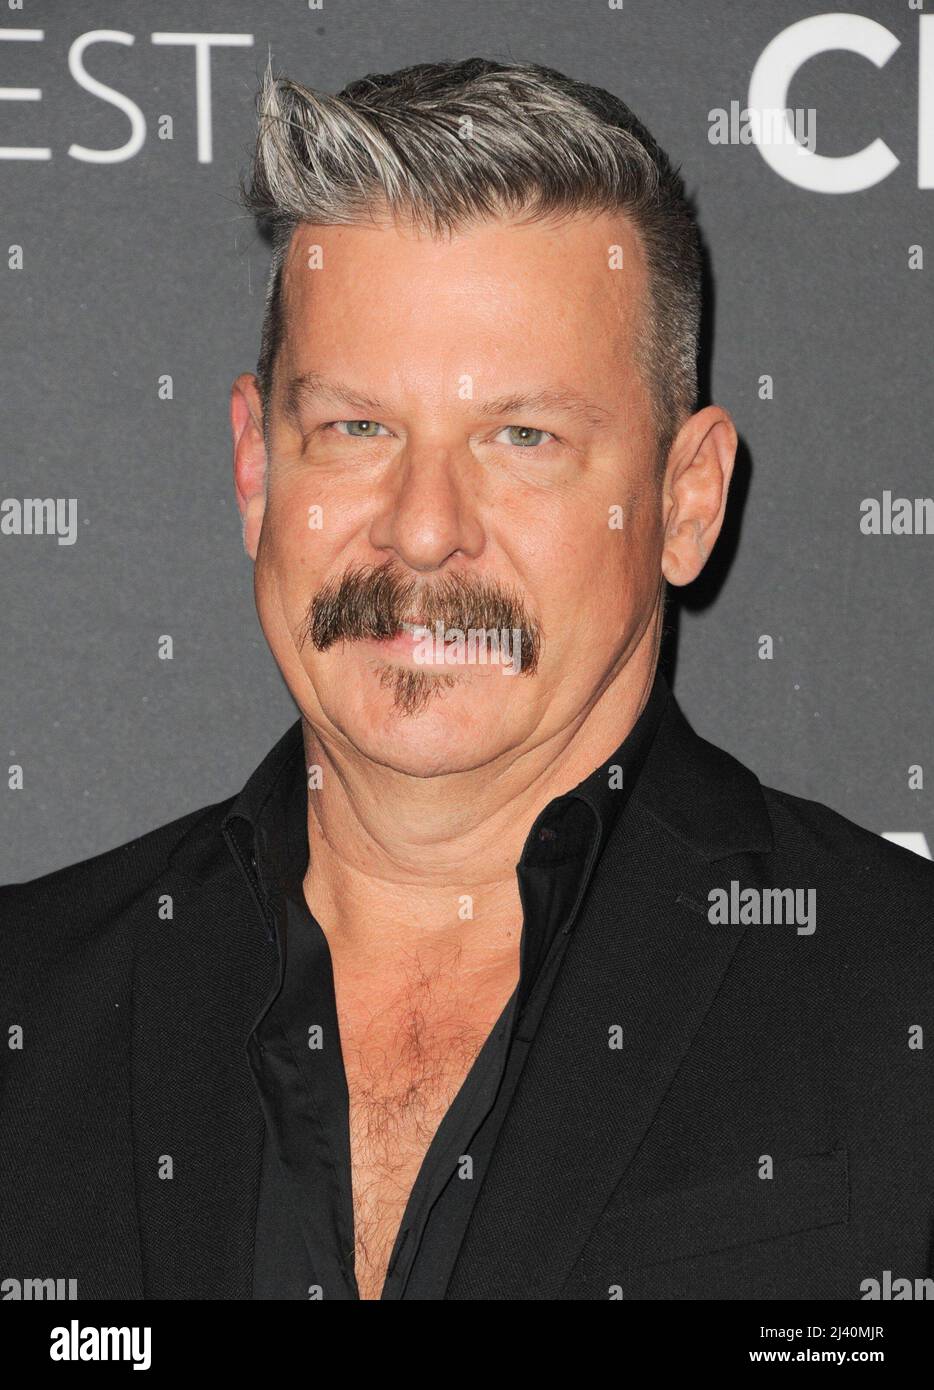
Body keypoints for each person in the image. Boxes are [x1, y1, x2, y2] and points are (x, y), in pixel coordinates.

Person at [2, 57, 932, 1302]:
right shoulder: (31, 1002)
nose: (424, 527)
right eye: (355, 428)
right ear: (254, 468)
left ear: (685, 501)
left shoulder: (898, 998)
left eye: (522, 437)